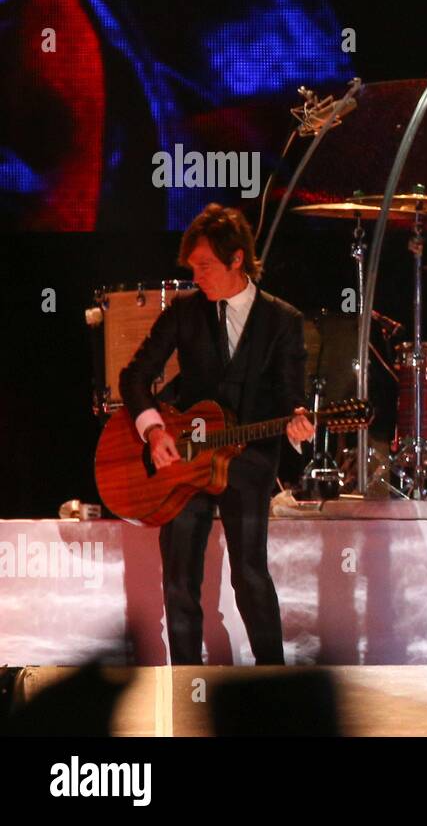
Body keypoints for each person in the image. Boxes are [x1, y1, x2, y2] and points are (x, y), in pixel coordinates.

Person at [120, 203, 313, 665]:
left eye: (205, 265)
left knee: (249, 572)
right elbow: (134, 377)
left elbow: (292, 399)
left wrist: (298, 423)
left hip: (248, 457)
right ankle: (185, 682)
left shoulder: (282, 321)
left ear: (237, 260)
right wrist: (154, 433)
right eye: (192, 267)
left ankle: (273, 677)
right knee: (179, 575)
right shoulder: (185, 312)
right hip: (187, 455)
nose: (197, 275)